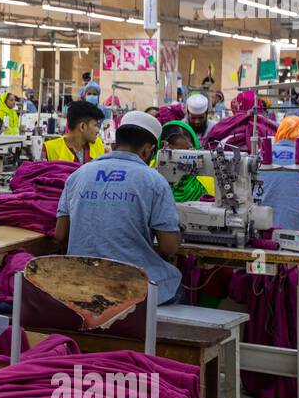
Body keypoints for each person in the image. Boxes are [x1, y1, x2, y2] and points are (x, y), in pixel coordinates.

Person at [55, 111, 182, 305]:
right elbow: (169, 247)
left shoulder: (78, 175)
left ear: (116, 144)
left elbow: (61, 235)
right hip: (129, 288)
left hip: (81, 285)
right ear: (147, 150)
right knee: (178, 287)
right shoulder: (154, 181)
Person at [158, 120, 215, 200]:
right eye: (177, 155)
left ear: (195, 147)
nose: (182, 161)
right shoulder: (151, 175)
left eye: (188, 151)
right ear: (161, 149)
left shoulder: (205, 184)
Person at [44, 99, 105, 164]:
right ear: (82, 126)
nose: (97, 130)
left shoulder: (98, 145)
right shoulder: (49, 149)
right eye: (95, 125)